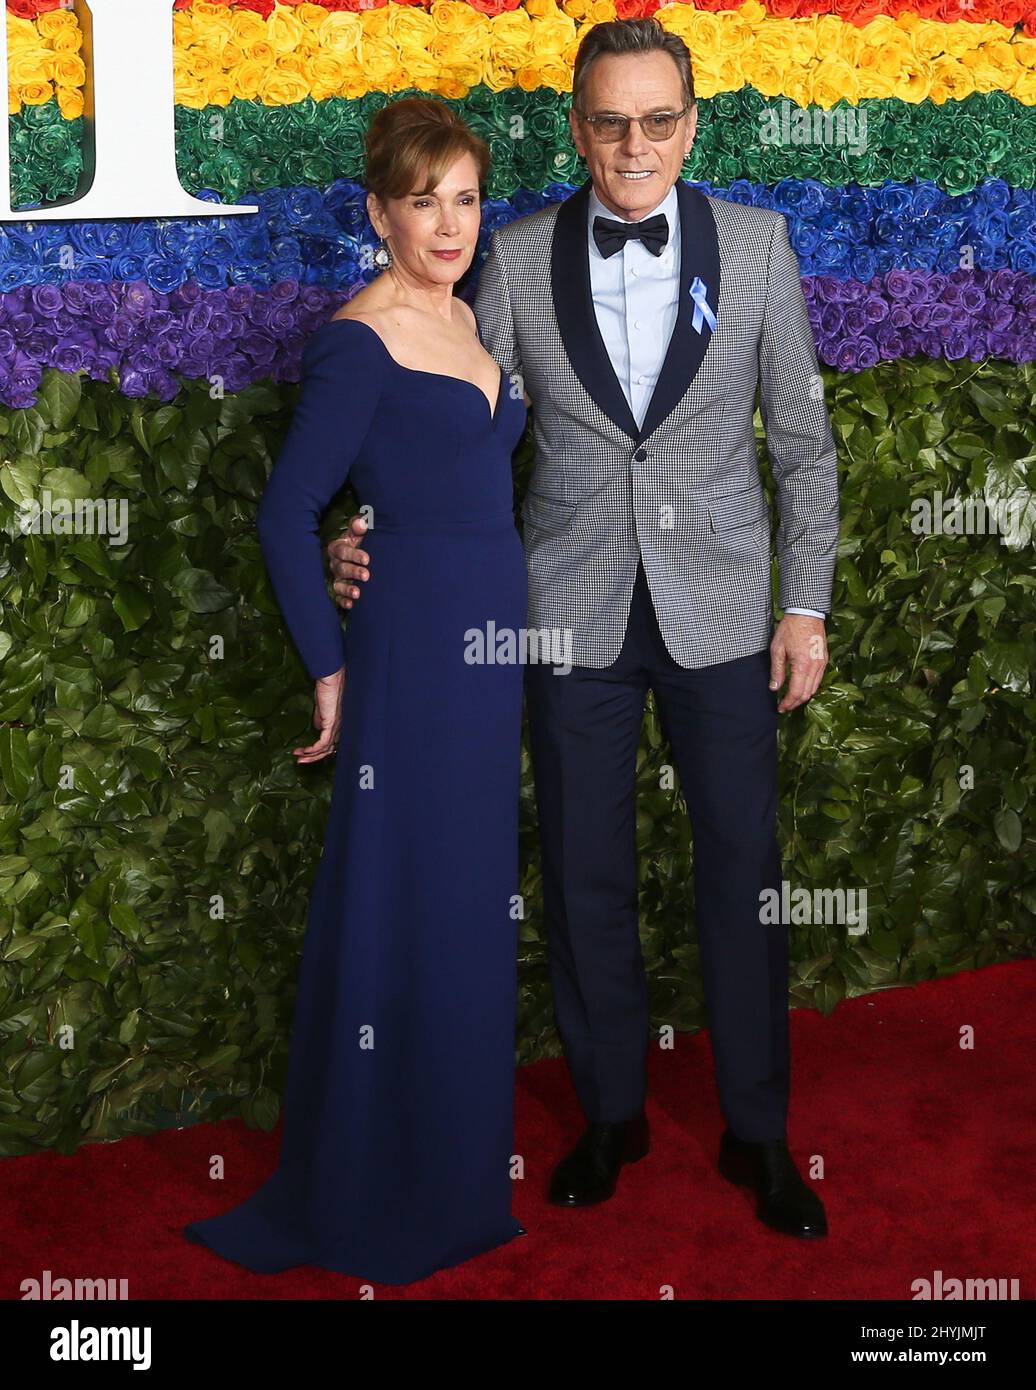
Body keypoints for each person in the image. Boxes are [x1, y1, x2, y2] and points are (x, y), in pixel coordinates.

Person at [330, 19, 839, 1238]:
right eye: (609, 121)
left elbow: (805, 444)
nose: (633, 145)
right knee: (584, 873)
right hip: (568, 612)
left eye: (657, 120)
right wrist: (365, 532)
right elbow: (461, 432)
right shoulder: (509, 257)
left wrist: (804, 603)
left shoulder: (761, 250)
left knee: (743, 876)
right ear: (575, 127)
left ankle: (758, 1130)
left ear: (691, 125)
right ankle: (610, 1111)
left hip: (721, 609)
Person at [184, 97, 530, 1284]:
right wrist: (329, 670)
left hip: (490, 659)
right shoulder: (358, 335)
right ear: (378, 210)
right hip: (417, 658)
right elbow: (289, 509)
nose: (447, 222)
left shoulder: (470, 318)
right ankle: (380, 1182)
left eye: (465, 197)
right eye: (422, 199)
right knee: (408, 896)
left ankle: (455, 1170)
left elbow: (447, 483)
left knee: (469, 898)